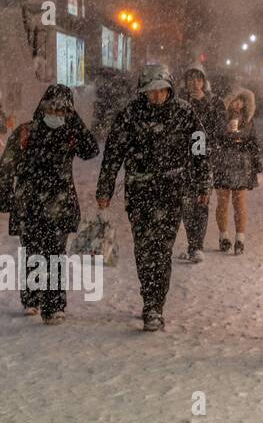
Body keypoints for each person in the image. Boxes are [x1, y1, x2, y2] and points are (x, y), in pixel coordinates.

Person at [96, 63, 210, 331]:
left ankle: (155, 304)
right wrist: (105, 190)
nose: (157, 96)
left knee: (162, 248)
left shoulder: (185, 113)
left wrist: (204, 183)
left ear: (169, 88)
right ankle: (150, 298)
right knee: (145, 248)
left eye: (161, 91)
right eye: (151, 91)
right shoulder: (129, 115)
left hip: (172, 190)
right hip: (140, 191)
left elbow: (200, 151)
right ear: (142, 91)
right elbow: (112, 155)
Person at [0, 85, 99, 322]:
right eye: (52, 107)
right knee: (32, 250)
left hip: (60, 204)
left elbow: (91, 150)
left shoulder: (70, 133)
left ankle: (54, 305)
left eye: (63, 109)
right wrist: (4, 195)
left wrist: (75, 121)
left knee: (55, 253)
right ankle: (31, 296)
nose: (56, 113)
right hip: (29, 203)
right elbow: (6, 166)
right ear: (43, 106)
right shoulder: (26, 131)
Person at [176, 64, 226, 263]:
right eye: (190, 79)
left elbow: (219, 129)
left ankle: (198, 245)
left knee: (202, 199)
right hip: (183, 159)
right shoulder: (178, 102)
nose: (194, 83)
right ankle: (193, 244)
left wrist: (204, 104)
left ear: (204, 82)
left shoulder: (214, 102)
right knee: (187, 202)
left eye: (198, 79)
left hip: (205, 158)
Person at [213, 87, 261, 255]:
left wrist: (255, 162)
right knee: (223, 201)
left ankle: (240, 239)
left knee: (239, 202)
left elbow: (253, 142)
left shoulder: (248, 121)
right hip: (223, 162)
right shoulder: (221, 118)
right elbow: (214, 138)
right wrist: (225, 133)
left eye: (241, 100)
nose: (238, 104)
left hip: (241, 164)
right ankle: (223, 236)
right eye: (235, 100)